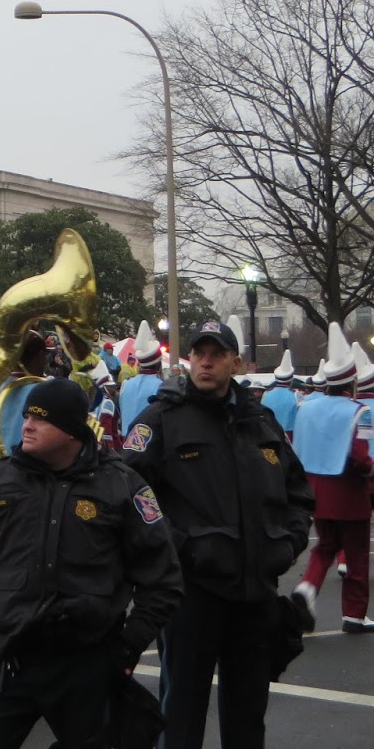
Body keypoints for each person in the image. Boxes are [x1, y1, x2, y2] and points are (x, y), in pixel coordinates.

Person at [0, 378, 183, 749]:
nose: (27, 425)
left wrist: (130, 644)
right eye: (27, 416)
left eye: (41, 418)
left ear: (70, 430)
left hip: (84, 664)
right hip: (11, 660)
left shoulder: (121, 485)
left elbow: (162, 578)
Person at [121, 319, 314, 749]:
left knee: (248, 720)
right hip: (191, 594)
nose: (205, 361)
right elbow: (129, 492)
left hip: (255, 594)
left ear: (235, 362)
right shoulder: (161, 419)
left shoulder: (260, 421)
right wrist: (180, 546)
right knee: (181, 716)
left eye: (217, 354)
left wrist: (285, 544)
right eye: (199, 353)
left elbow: (298, 494)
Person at [291, 326, 374, 633]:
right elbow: (359, 456)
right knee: (357, 556)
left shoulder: (308, 408)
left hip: (316, 491)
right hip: (349, 494)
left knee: (324, 547)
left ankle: (307, 588)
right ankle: (354, 614)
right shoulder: (358, 412)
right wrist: (370, 470)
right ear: (351, 381)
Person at [116, 322, 164, 429]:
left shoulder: (126, 384)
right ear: (159, 364)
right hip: (150, 441)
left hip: (126, 441)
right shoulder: (160, 386)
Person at [262, 349, 299, 436]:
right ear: (291, 379)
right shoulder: (296, 396)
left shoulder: (266, 394)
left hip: (269, 435)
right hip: (289, 438)